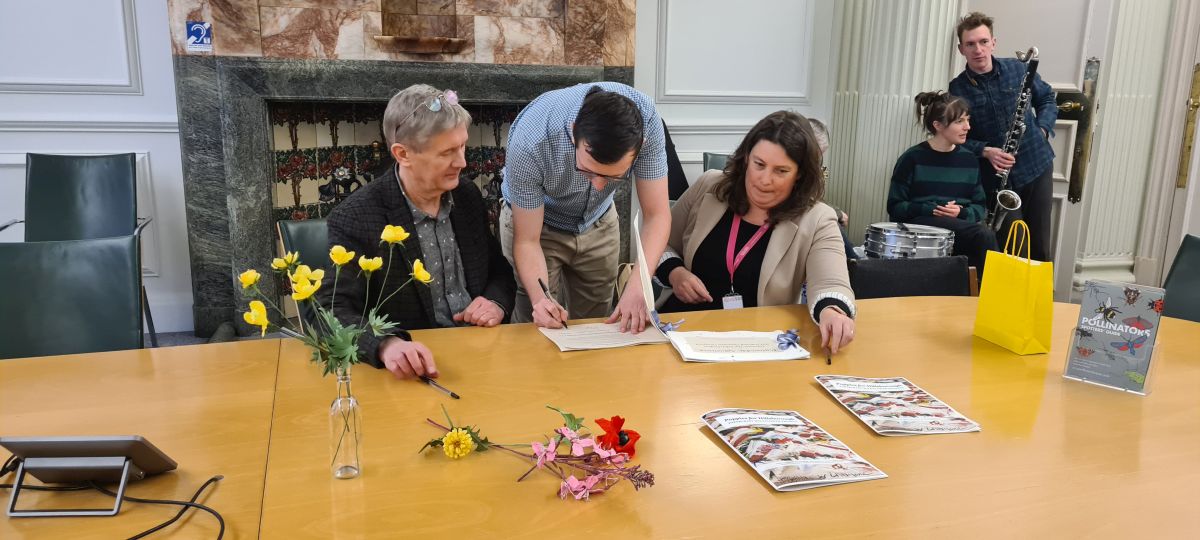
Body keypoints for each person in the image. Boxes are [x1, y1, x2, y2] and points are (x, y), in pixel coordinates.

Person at [323, 84, 516, 380]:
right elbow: (331, 310)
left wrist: (495, 302)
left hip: (481, 353)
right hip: (412, 370)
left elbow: (499, 271)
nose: (462, 162)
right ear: (403, 154)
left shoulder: (466, 196)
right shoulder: (356, 217)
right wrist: (385, 345)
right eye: (448, 152)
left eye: (462, 146)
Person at [655, 111, 856, 353]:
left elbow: (831, 282)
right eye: (759, 165)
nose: (765, 179)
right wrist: (675, 273)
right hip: (682, 332)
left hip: (754, 345)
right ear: (746, 158)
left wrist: (832, 310)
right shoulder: (710, 186)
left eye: (781, 171)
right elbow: (659, 242)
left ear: (800, 174)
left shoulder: (817, 218)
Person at [500, 82, 670, 334]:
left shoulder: (647, 122)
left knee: (599, 324)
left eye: (613, 177)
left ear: (640, 145)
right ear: (573, 132)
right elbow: (527, 241)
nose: (601, 186)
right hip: (538, 224)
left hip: (599, 220)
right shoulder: (530, 139)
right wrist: (541, 300)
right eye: (589, 171)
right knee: (534, 323)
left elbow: (657, 215)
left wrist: (639, 287)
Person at [949, 11, 1057, 261]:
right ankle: (1011, 300)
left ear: (993, 43)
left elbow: (1048, 99)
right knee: (1012, 248)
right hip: (998, 179)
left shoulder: (1019, 69)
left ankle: (1040, 300)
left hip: (1036, 166)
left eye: (983, 42)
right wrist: (986, 151)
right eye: (970, 44)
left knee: (1040, 247)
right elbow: (958, 137)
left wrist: (1042, 130)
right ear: (961, 49)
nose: (978, 49)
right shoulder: (957, 88)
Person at [888, 91, 999, 275]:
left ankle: (976, 295)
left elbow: (979, 206)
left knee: (982, 237)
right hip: (922, 227)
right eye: (959, 122)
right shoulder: (912, 158)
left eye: (968, 120)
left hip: (959, 228)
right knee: (983, 236)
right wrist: (930, 209)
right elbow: (895, 207)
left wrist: (961, 212)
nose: (967, 127)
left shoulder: (969, 159)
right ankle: (993, 296)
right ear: (938, 125)